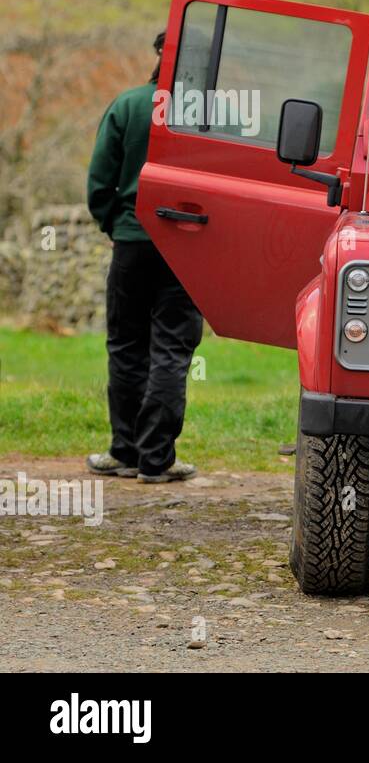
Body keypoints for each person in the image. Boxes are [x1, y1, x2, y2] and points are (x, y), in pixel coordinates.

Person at [85, 31, 202, 484]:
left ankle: (125, 452)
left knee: (127, 346)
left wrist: (116, 225)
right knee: (171, 350)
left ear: (157, 57)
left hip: (132, 244)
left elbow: (100, 182)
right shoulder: (210, 116)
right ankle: (156, 461)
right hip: (186, 247)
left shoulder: (127, 105)